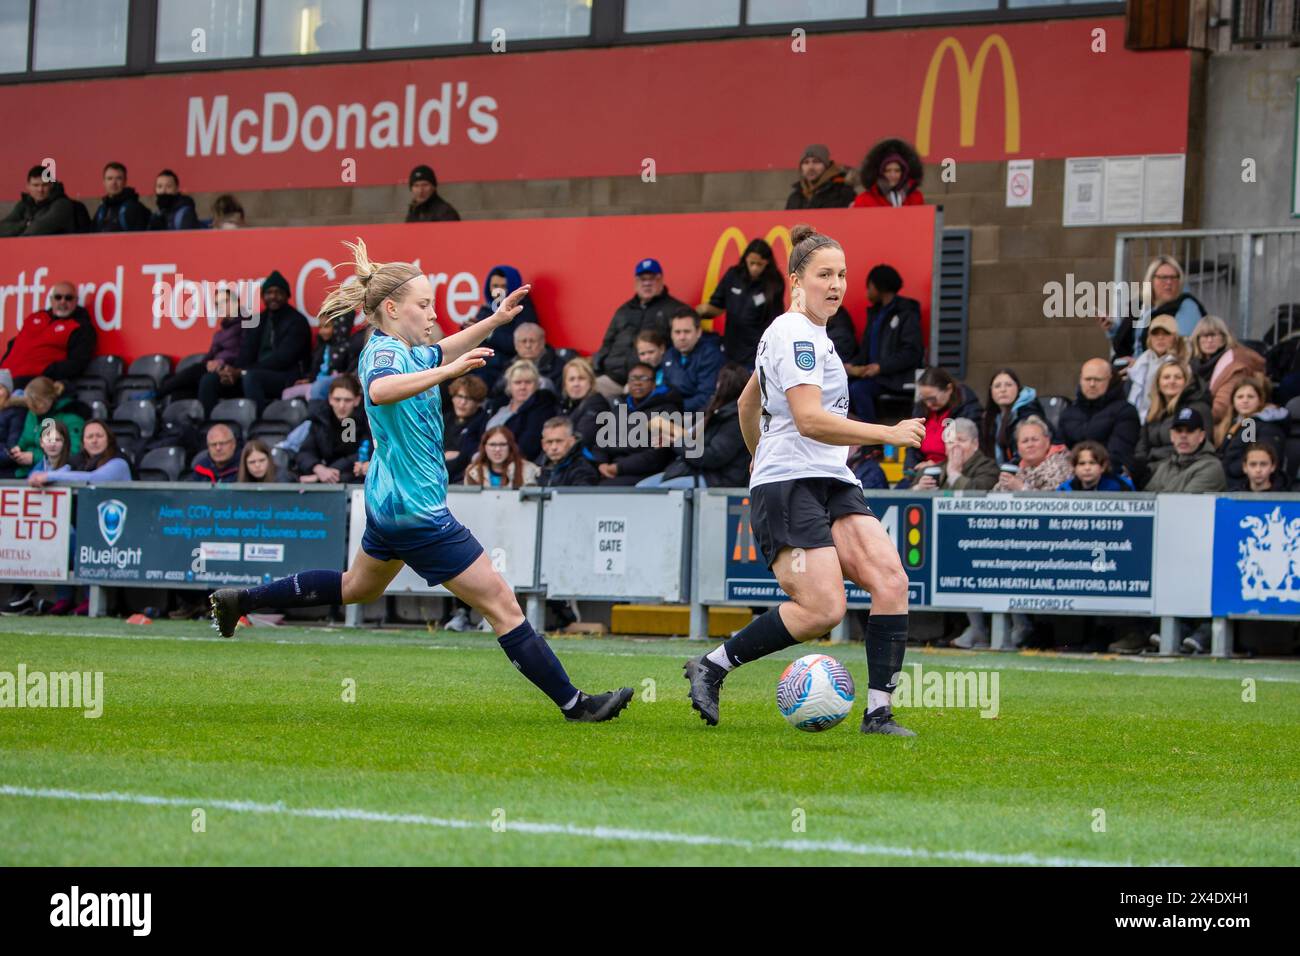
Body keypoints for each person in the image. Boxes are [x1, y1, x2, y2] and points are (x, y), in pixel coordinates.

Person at [209, 238, 632, 722]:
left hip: (389, 504)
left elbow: (438, 351)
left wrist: (493, 322)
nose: (433, 315)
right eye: (424, 305)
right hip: (415, 511)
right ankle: (576, 705)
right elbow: (380, 389)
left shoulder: (407, 349)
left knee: (356, 588)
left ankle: (242, 600)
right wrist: (448, 372)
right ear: (392, 309)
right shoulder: (382, 353)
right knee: (501, 604)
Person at [682, 224, 925, 736]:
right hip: (792, 482)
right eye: (824, 274)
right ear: (796, 280)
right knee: (823, 609)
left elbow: (750, 400)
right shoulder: (793, 332)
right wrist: (889, 432)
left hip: (831, 478)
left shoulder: (813, 335)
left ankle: (878, 713)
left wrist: (755, 453)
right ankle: (713, 665)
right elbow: (811, 419)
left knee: (891, 581)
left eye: (842, 274)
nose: (836, 284)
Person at [198, 271, 312, 413]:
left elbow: (283, 359)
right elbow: (245, 352)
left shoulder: (297, 321)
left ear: (286, 295)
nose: (273, 296)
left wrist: (242, 371)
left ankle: (258, 425)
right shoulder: (257, 320)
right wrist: (232, 371)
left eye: (278, 292)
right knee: (210, 380)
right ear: (263, 296)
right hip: (250, 373)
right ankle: (209, 428)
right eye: (269, 292)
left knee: (251, 378)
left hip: (285, 377)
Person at [637, 363, 750, 489]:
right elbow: (690, 433)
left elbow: (711, 457)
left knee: (657, 493)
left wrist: (677, 442)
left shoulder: (734, 420)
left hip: (718, 479)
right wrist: (671, 437)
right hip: (693, 471)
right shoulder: (714, 410)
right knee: (642, 488)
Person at [593, 258, 690, 398]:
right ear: (636, 282)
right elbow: (607, 342)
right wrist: (598, 367)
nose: (647, 283)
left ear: (661, 279)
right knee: (589, 391)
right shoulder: (624, 310)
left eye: (652, 278)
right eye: (642, 279)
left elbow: (678, 349)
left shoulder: (675, 309)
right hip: (613, 377)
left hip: (646, 379)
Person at [844, 264, 924, 422]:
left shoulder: (906, 313)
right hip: (876, 377)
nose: (867, 292)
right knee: (841, 386)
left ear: (879, 286)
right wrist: (851, 367)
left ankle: (872, 442)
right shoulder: (876, 314)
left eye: (869, 287)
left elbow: (911, 352)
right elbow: (865, 351)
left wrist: (881, 367)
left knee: (858, 390)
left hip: (896, 379)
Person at [696, 239, 785, 369]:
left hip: (756, 350)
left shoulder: (774, 282)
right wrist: (698, 313)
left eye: (759, 264)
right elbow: (717, 304)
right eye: (752, 263)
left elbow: (775, 319)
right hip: (730, 346)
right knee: (729, 386)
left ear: (767, 262)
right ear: (745, 260)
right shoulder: (733, 275)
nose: (754, 268)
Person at [593, 362, 682, 486]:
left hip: (646, 475)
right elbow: (600, 444)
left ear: (653, 384)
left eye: (644, 379)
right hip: (611, 472)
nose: (637, 383)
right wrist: (601, 464)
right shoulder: (619, 410)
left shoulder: (667, 411)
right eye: (633, 379)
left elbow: (658, 456)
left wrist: (619, 468)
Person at [1106, 255, 1207, 362]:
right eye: (1163, 277)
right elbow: (1129, 342)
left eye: (1174, 277)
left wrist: (1138, 365)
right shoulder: (1141, 305)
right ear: (1151, 280)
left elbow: (1180, 350)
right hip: (1131, 368)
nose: (1169, 282)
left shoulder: (1187, 305)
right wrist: (1112, 328)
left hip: (1163, 371)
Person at [0, 282, 97, 389]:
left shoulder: (80, 327)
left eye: (68, 298)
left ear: (76, 301)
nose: (63, 301)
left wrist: (46, 371)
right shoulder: (35, 317)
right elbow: (14, 344)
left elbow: (77, 363)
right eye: (58, 297)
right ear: (51, 300)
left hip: (32, 385)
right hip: (5, 378)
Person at [1056, 358, 1141, 478]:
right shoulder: (1068, 413)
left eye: (1098, 380)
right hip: (1070, 478)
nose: (1092, 384)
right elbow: (1059, 450)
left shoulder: (1125, 412)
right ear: (1080, 380)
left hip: (1110, 480)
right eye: (1087, 379)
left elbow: (1120, 455)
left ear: (1110, 380)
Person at [158, 286, 244, 402]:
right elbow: (210, 355)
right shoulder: (219, 334)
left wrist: (220, 362)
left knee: (195, 373)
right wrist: (207, 364)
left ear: (237, 303)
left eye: (226, 301)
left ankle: (156, 394)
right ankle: (177, 418)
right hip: (212, 369)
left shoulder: (247, 325)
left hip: (229, 370)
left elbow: (244, 352)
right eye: (218, 304)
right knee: (181, 388)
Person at [1132, 360, 1211, 486]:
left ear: (1186, 382)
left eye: (1177, 377)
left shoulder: (1197, 408)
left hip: (1178, 471)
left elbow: (1204, 445)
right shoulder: (1153, 411)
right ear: (1158, 382)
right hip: (1149, 471)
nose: (1171, 381)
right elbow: (1142, 447)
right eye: (1166, 377)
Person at [470, 265, 541, 389]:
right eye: (495, 286)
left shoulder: (522, 309)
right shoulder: (488, 308)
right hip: (477, 364)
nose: (499, 291)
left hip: (500, 368)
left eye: (504, 286)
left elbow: (516, 344)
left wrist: (488, 333)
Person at [2, 376, 87, 479]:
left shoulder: (71, 418)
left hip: (56, 471)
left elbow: (73, 452)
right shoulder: (32, 413)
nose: (32, 408)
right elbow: (25, 438)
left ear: (49, 399)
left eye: (37, 404)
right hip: (25, 469)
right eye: (29, 404)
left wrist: (34, 457)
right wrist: (18, 448)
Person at [904, 366, 982, 475]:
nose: (928, 404)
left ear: (949, 389)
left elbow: (966, 451)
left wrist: (938, 466)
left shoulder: (968, 410)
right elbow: (912, 444)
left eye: (932, 399)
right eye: (924, 398)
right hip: (922, 472)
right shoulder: (921, 409)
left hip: (956, 473)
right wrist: (911, 469)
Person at [1190, 315, 1267, 423]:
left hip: (1225, 425)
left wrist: (1188, 419)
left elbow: (1220, 409)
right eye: (1204, 336)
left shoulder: (1235, 365)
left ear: (1224, 337)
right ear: (1197, 339)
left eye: (1214, 335)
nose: (1209, 340)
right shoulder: (1191, 363)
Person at [296, 375, 371, 484]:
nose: (341, 405)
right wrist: (318, 468)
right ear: (330, 399)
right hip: (325, 478)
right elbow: (305, 453)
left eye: (347, 400)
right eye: (337, 399)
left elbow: (363, 454)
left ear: (357, 400)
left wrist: (324, 475)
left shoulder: (368, 421)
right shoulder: (321, 419)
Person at [1217, 376, 1288, 489]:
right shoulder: (1238, 425)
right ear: (1233, 401)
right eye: (1240, 397)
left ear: (1260, 400)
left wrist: (1229, 468)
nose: (1245, 400)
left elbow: (1263, 459)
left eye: (1250, 396)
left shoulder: (1266, 427)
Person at [483, 359, 558, 460]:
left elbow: (528, 446)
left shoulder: (542, 409)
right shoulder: (499, 408)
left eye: (528, 382)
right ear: (509, 386)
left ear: (536, 385)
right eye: (517, 382)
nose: (522, 387)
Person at [1143, 407, 1227, 493]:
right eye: (1179, 431)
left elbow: (1187, 504)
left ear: (1201, 436)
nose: (1183, 436)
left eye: (1190, 430)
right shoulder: (1165, 466)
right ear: (1171, 436)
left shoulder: (1211, 467)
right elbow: (1148, 500)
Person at [26, 418, 130, 486]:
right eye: (89, 437)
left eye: (99, 436)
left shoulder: (119, 461)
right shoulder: (78, 460)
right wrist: (37, 475)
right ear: (83, 443)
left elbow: (95, 478)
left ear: (109, 439)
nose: (94, 441)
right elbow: (63, 471)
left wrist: (48, 476)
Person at [1125, 313, 1189, 422]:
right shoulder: (1140, 363)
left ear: (1175, 338)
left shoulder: (1183, 366)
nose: (1160, 338)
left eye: (1166, 334)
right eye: (1155, 334)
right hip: (1136, 419)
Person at [978, 367, 1046, 465]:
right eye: (997, 386)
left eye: (1008, 385)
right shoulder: (990, 418)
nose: (1003, 390)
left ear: (1018, 388)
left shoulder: (1028, 414)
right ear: (991, 392)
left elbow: (1023, 456)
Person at [283, 312, 356, 402]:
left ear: (339, 327)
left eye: (326, 326)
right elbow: (318, 371)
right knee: (287, 393)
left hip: (335, 386)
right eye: (320, 327)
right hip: (316, 384)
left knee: (314, 391)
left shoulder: (349, 347)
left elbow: (349, 373)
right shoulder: (323, 346)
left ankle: (313, 414)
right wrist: (309, 379)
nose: (321, 331)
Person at [663, 307, 723, 413]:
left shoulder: (711, 355)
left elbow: (706, 397)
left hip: (700, 416)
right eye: (677, 332)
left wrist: (672, 409)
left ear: (698, 332)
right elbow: (665, 389)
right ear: (671, 334)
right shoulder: (669, 354)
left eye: (687, 331)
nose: (682, 337)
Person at [910, 417, 998, 491]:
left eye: (961, 440)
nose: (955, 445)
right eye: (950, 442)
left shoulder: (989, 467)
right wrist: (918, 489)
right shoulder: (930, 470)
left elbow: (978, 493)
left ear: (975, 444)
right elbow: (906, 498)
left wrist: (954, 474)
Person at [994, 417, 1072, 492]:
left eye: (1035, 440)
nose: (1030, 445)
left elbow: (1053, 502)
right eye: (1025, 441)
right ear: (1017, 446)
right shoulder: (1014, 469)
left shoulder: (1061, 466)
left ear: (1047, 441)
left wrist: (1021, 488)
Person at [0, 165, 78, 237]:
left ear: (51, 185)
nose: (40, 189)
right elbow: (2, 228)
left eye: (44, 185)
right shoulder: (24, 204)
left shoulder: (62, 204)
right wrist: (26, 224)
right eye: (36, 185)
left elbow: (36, 230)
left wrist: (18, 232)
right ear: (28, 186)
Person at [853, 139, 924, 208]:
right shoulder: (864, 200)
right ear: (880, 173)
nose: (893, 175)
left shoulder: (916, 198)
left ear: (903, 173)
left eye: (897, 170)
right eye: (887, 171)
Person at [444, 374, 489, 484]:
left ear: (478, 402)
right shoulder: (444, 419)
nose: (462, 403)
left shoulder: (483, 421)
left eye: (468, 398)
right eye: (459, 396)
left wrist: (460, 455)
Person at [558, 357, 610, 449]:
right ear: (565, 385)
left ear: (591, 382)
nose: (576, 384)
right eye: (571, 379)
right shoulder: (566, 405)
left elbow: (582, 439)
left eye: (581, 379)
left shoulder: (597, 404)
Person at [464, 426, 540, 488]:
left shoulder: (528, 469)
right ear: (484, 447)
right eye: (492, 444)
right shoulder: (473, 471)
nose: (497, 449)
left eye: (503, 444)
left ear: (510, 447)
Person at [784, 144, 855, 210]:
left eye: (816, 162)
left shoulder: (843, 192)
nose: (810, 167)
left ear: (826, 166)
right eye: (806, 162)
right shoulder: (795, 197)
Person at [537, 417, 600, 487]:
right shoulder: (544, 467)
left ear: (572, 441)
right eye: (549, 442)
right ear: (543, 445)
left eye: (559, 441)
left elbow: (582, 496)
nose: (554, 447)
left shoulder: (583, 469)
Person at [92, 162, 150, 232]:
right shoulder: (101, 210)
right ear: (104, 182)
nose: (114, 183)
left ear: (125, 181)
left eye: (118, 178)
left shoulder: (136, 208)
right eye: (110, 178)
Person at [1057, 441, 1134, 492]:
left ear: (1103, 467)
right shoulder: (1065, 490)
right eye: (1082, 463)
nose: (1087, 468)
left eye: (1092, 463)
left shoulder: (1122, 487)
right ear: (1074, 468)